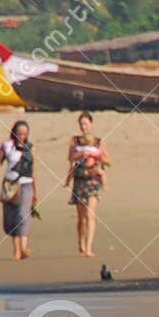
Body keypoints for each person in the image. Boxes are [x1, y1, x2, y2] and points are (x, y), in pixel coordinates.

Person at [63, 110, 110, 259]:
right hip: (79, 180)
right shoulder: (75, 140)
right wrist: (80, 154)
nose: (84, 127)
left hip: (94, 180)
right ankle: (81, 242)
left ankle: (89, 248)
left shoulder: (98, 141)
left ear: (91, 124)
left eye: (86, 124)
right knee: (81, 218)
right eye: (81, 124)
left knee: (91, 215)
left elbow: (108, 161)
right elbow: (70, 158)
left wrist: (97, 156)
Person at [0, 120, 37, 260]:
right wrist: (1, 154)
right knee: (11, 218)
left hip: (26, 184)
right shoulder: (8, 146)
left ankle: (23, 248)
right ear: (14, 133)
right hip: (10, 186)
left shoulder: (31, 148)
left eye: (24, 133)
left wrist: (36, 191)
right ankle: (17, 249)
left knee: (23, 215)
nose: (22, 136)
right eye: (19, 133)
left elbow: (33, 171)